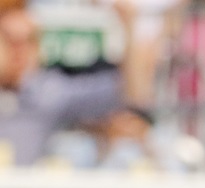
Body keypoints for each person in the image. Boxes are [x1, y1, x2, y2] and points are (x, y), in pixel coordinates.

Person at [0, 1, 139, 165]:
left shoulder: (49, 92)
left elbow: (121, 89)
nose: (19, 52)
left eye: (28, 41)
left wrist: (128, 27)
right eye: (10, 41)